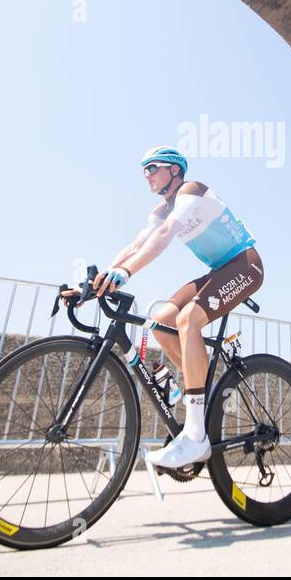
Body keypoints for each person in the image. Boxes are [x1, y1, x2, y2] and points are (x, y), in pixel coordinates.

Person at [64, 146, 263, 471]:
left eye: (152, 167)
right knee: (160, 320)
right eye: (143, 170)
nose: (147, 175)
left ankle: (196, 437)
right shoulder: (161, 209)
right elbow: (137, 244)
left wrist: (126, 273)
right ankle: (209, 392)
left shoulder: (191, 190)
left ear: (174, 170)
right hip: (217, 272)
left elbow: (167, 232)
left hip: (245, 264)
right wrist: (94, 284)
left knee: (188, 320)